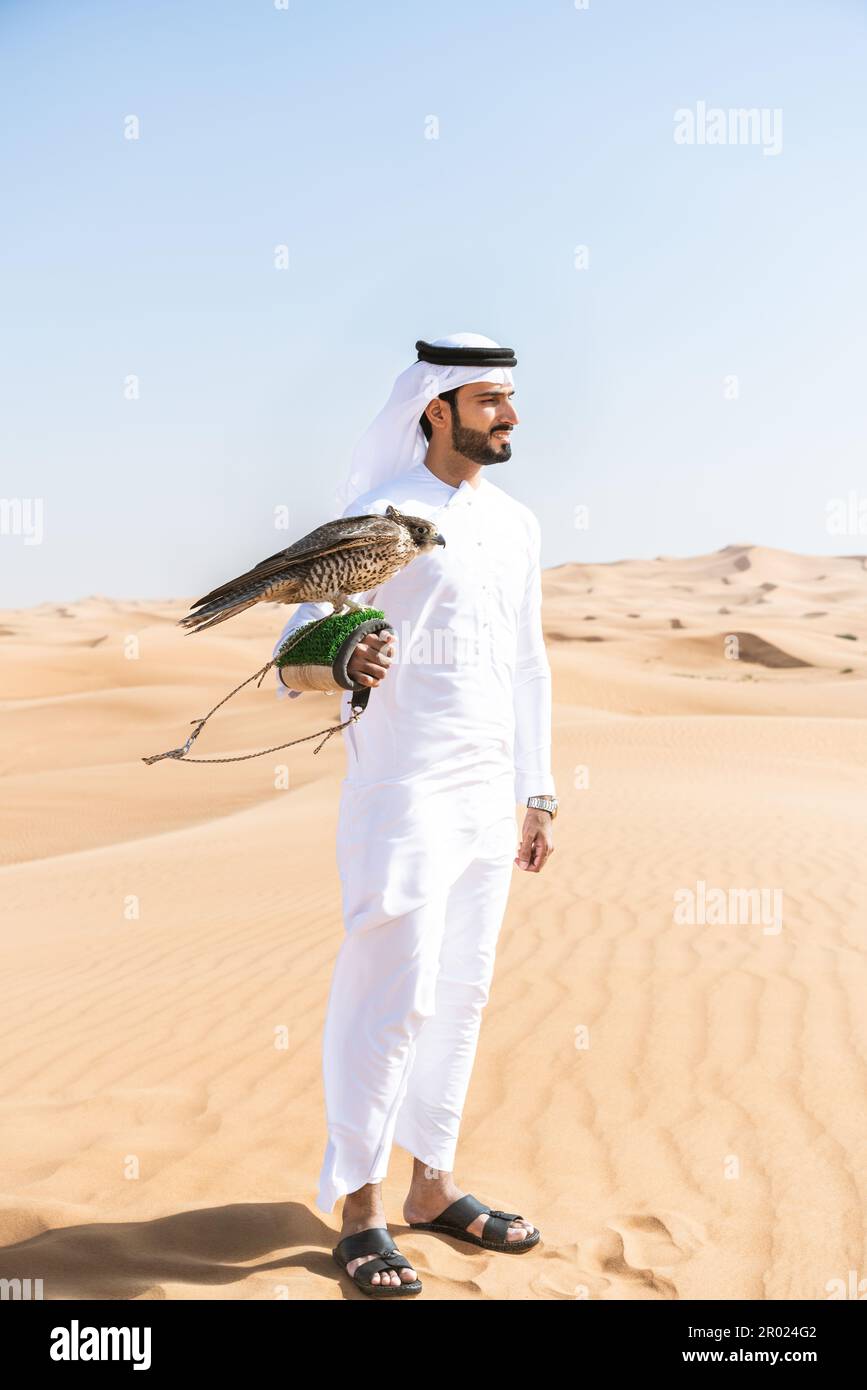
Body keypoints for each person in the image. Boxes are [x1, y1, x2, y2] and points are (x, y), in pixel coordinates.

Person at [273, 333, 558, 1296]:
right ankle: (358, 1207)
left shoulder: (515, 523)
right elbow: (296, 647)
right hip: (401, 791)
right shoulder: (375, 515)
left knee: (462, 993)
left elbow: (528, 663)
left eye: (510, 400)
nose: (508, 416)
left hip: (489, 792)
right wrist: (345, 660)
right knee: (391, 996)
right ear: (435, 409)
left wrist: (538, 790)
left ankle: (432, 1188)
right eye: (488, 402)